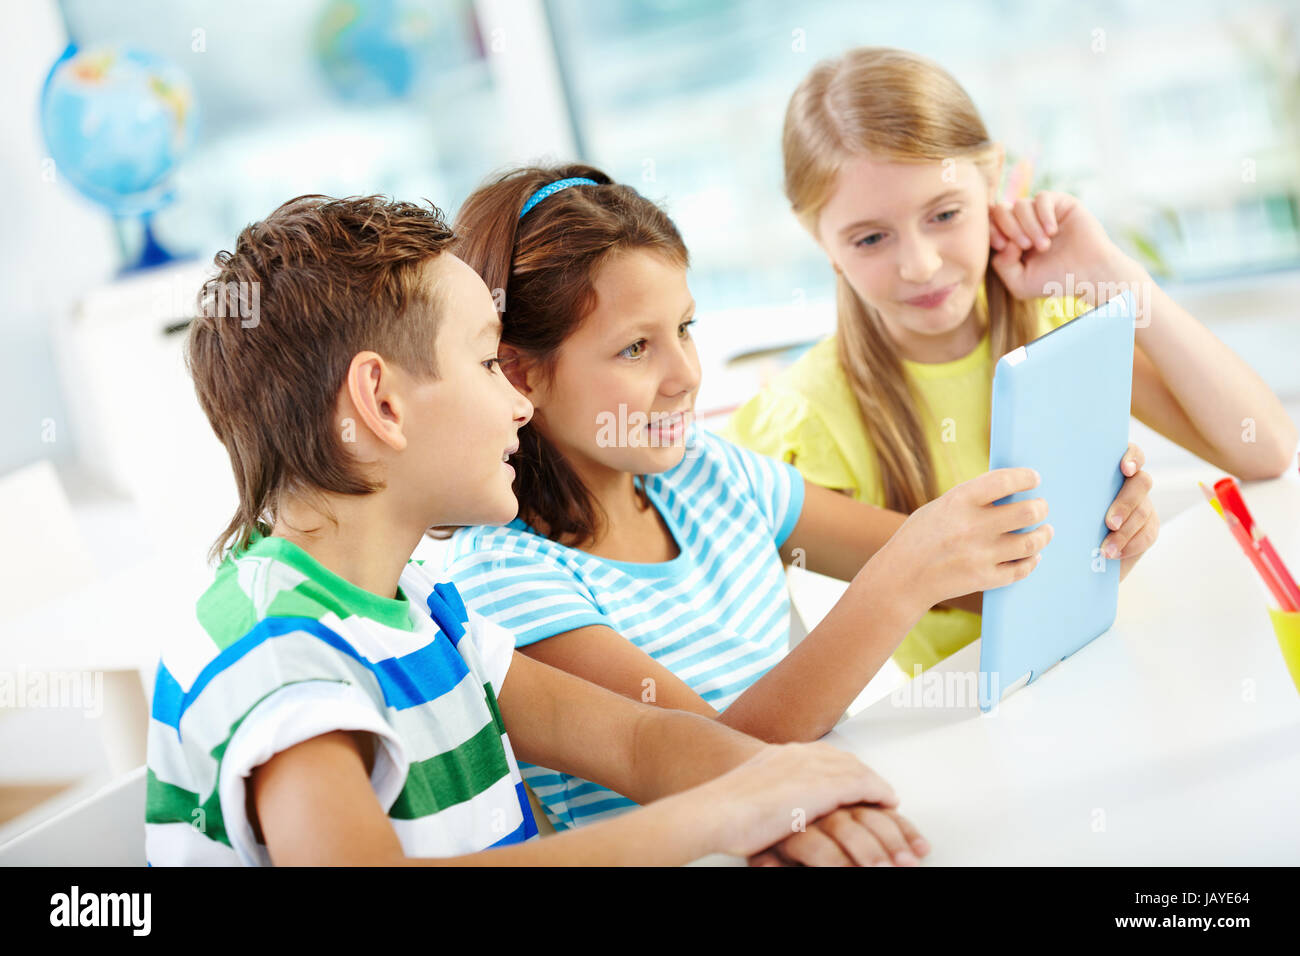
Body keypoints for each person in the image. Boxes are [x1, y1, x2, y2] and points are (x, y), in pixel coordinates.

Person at [143, 193, 928, 867]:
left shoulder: (414, 610)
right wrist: (715, 816)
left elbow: (639, 743)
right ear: (382, 404)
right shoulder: (277, 651)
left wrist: (795, 798)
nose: (520, 405)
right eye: (489, 365)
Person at [441, 163, 1153, 831]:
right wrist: (900, 581)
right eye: (635, 348)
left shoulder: (704, 473)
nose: (685, 374)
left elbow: (971, 575)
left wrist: (1098, 532)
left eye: (685, 329)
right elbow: (719, 763)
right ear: (522, 376)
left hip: (828, 823)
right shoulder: (507, 574)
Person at [724, 46, 1295, 674]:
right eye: (870, 237)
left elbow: (1263, 448)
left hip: (1131, 657)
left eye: (944, 214)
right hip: (976, 730)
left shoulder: (1056, 324)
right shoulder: (804, 418)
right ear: (818, 238)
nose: (920, 264)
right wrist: (1094, 558)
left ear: (992, 177)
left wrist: (1118, 281)